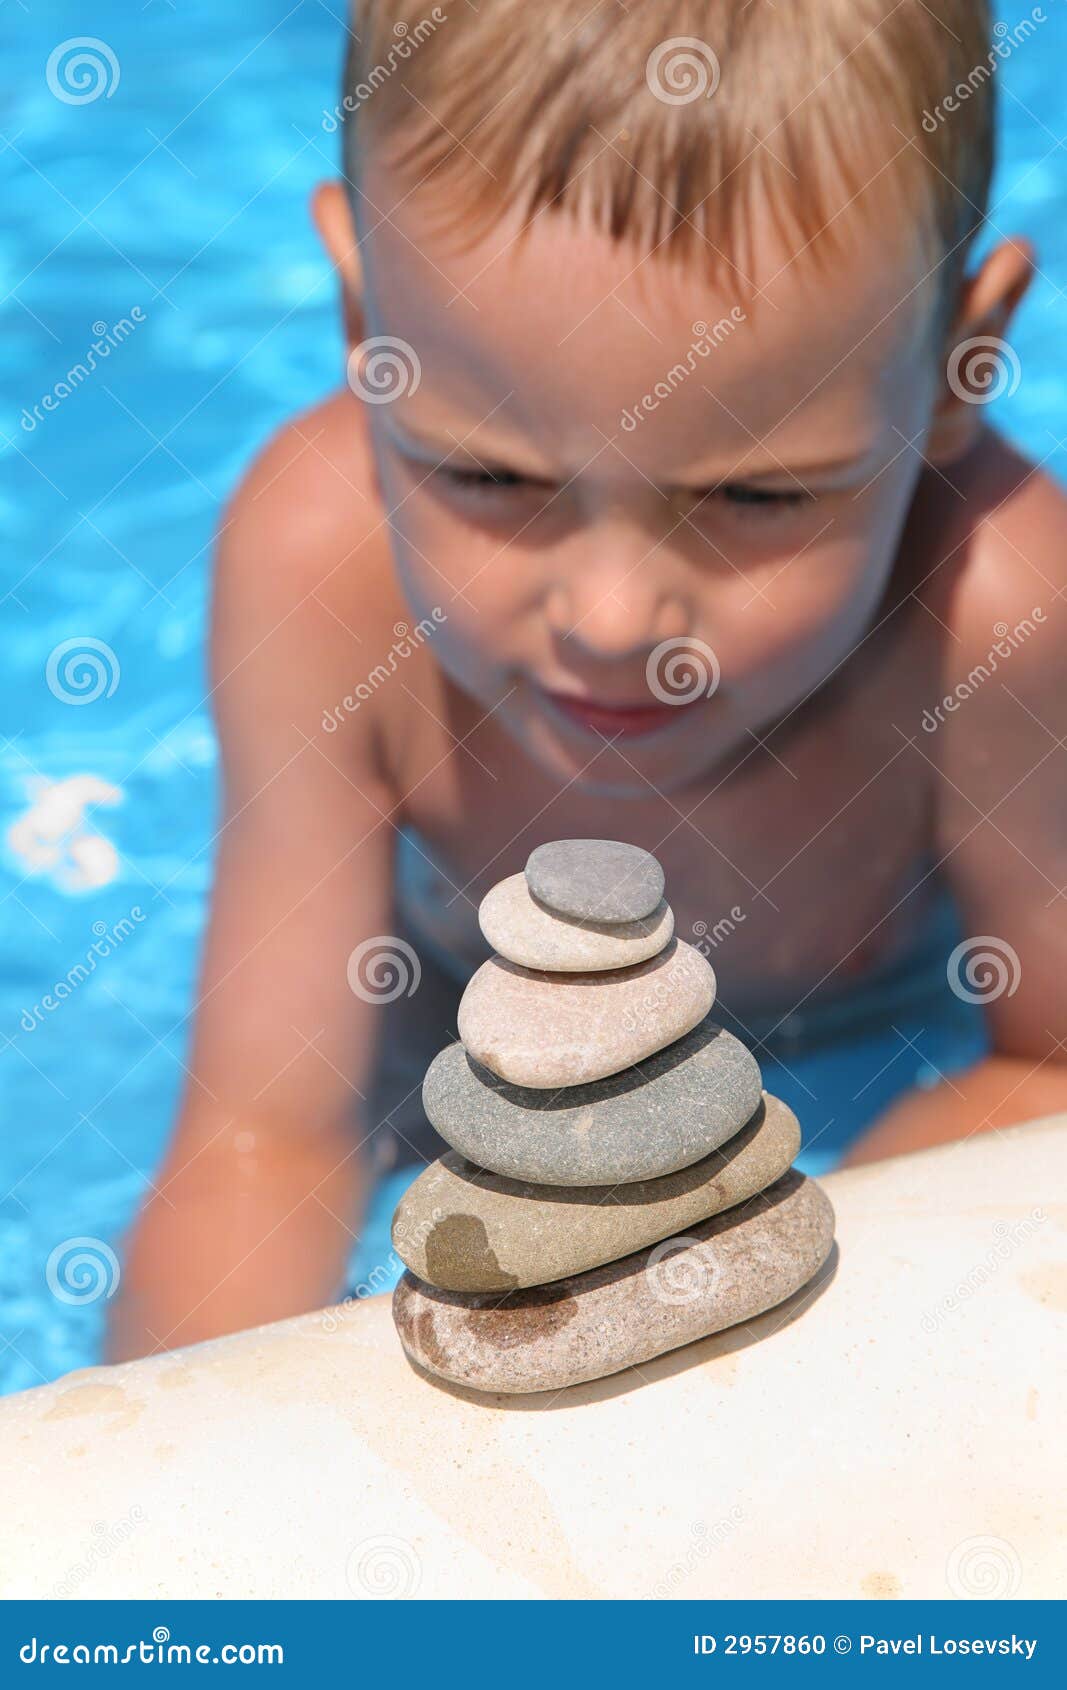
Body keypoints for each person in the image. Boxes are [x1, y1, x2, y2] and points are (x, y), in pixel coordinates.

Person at [109, 0, 1067, 1360]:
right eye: (489, 476)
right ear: (359, 313)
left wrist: (787, 1239)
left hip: (861, 1048)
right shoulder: (318, 575)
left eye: (760, 493)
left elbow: (1053, 1064)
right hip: (460, 1039)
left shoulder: (991, 616)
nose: (614, 621)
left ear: (963, 361)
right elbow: (265, 1137)